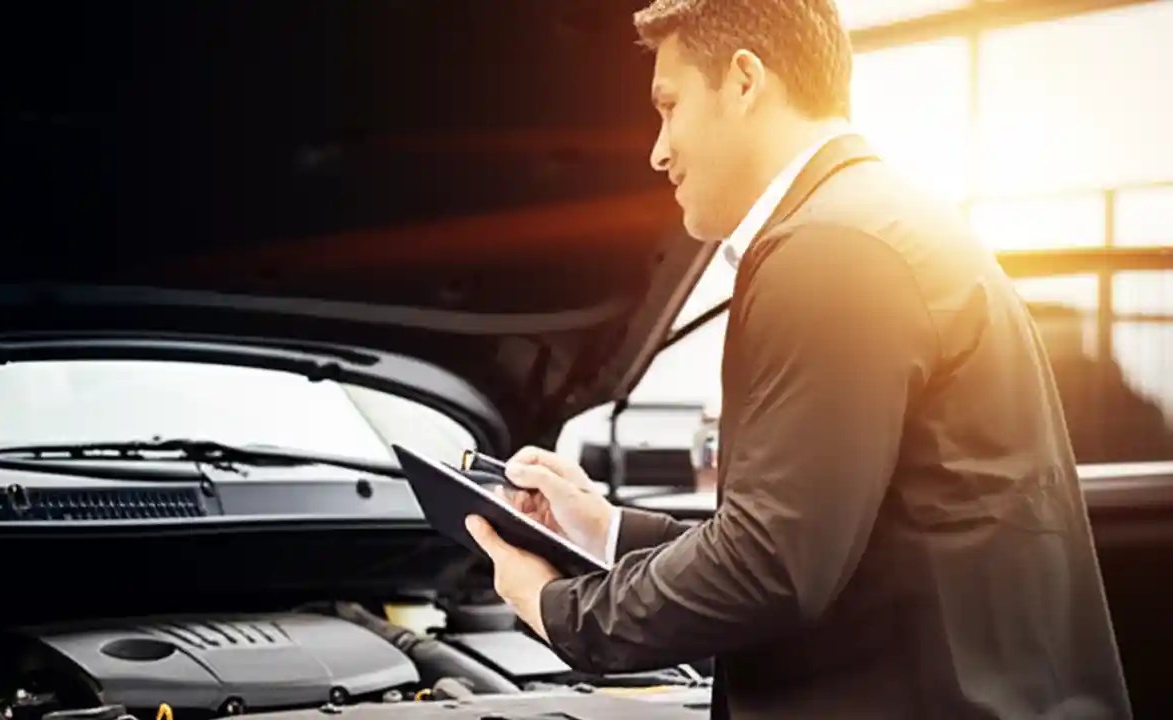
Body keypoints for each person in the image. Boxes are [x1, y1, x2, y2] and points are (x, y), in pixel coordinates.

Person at [463, 0, 1132, 718]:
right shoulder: (875, 219)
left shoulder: (830, 248)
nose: (658, 150)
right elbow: (813, 533)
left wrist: (556, 608)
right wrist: (601, 528)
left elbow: (771, 565)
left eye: (670, 105)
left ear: (745, 81)